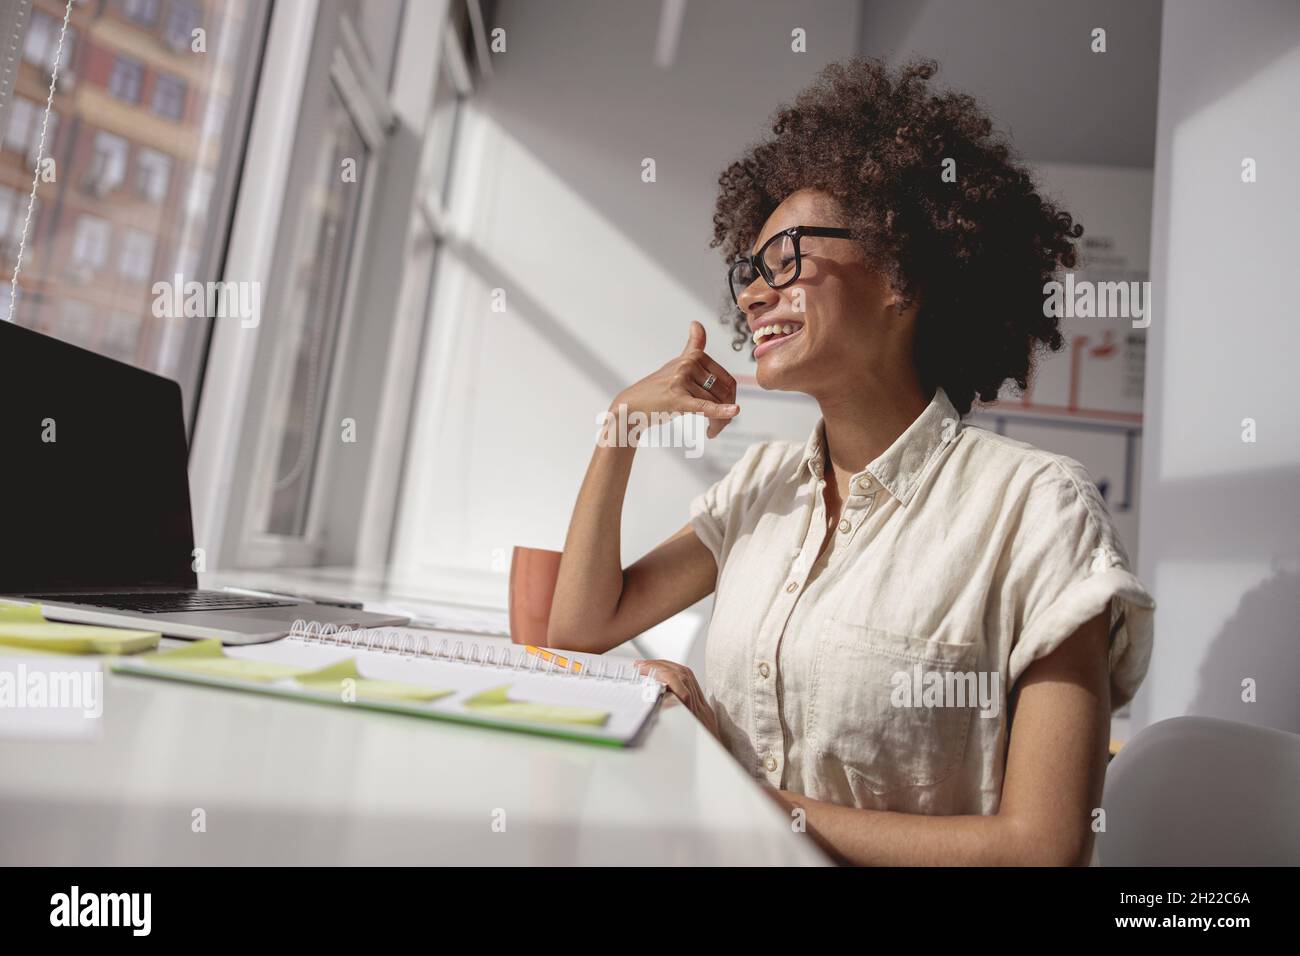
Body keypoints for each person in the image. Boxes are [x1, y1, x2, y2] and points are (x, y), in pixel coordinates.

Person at [548, 57, 1154, 865]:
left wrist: (747, 801)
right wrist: (619, 426)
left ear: (903, 275)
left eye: (789, 256)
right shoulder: (762, 486)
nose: (756, 294)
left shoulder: (1035, 510)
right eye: (750, 272)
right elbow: (582, 627)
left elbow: (1043, 850)